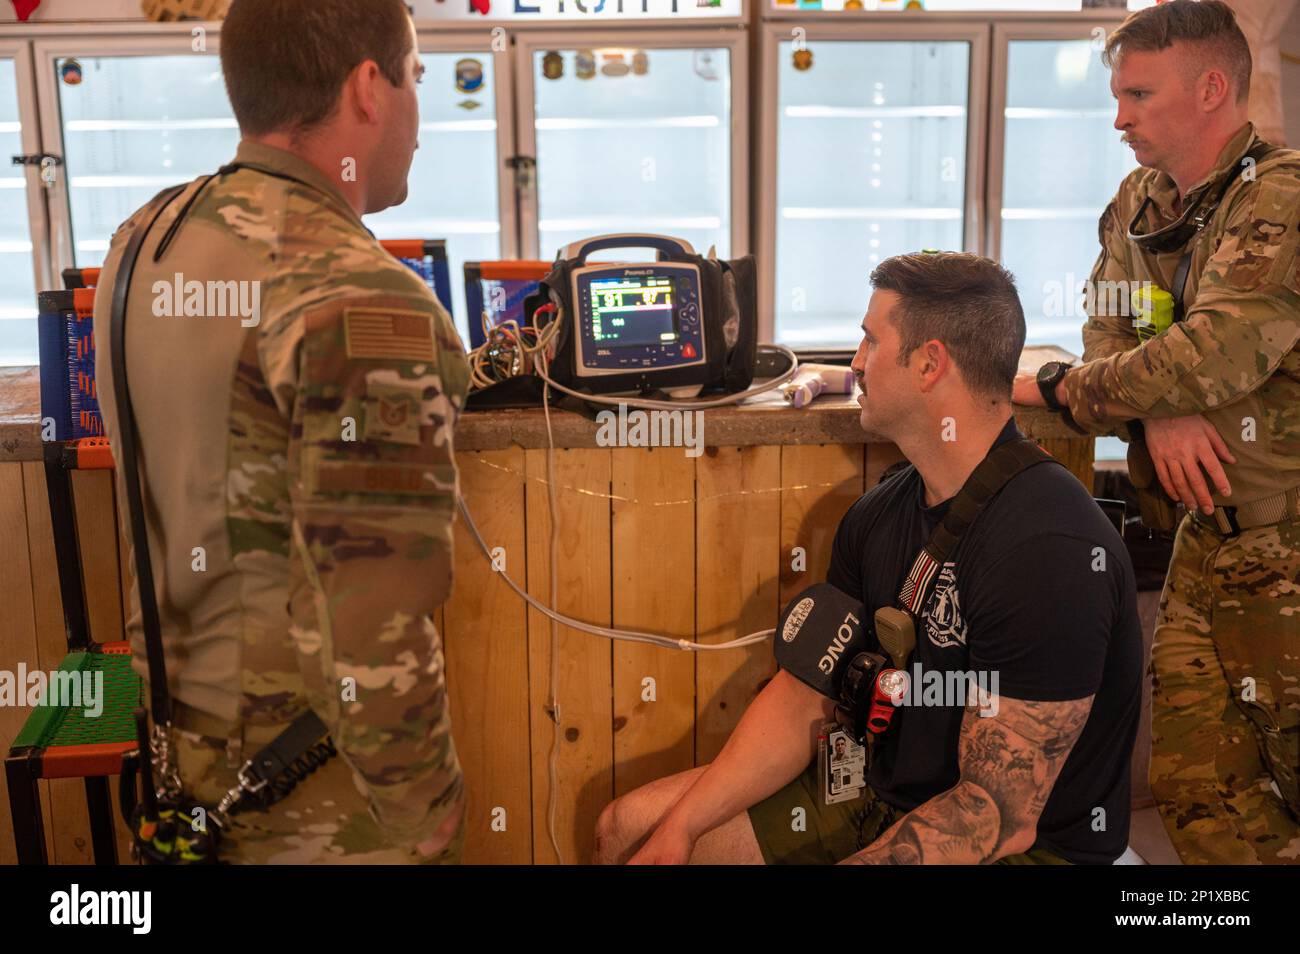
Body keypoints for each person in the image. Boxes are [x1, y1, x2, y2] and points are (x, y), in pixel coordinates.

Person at [594, 253, 1143, 865]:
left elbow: (996, 815)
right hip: (881, 794)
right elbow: (806, 694)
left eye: (869, 340)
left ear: (930, 363)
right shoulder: (878, 513)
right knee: (629, 831)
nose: (855, 361)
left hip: (1023, 847)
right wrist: (684, 828)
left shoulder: (1049, 548)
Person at [92, 0, 469, 864]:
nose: (419, 112)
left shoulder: (145, 239)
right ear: (368, 88)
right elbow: (371, 618)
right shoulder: (364, 296)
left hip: (178, 761)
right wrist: (426, 816)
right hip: (317, 798)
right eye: (414, 76)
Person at [1014, 0, 1300, 864]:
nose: (1119, 118)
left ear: (1212, 88)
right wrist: (1160, 404)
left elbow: (1214, 352)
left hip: (1287, 544)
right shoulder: (1141, 200)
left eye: (1138, 94)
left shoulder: (1282, 198)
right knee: (1197, 785)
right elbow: (1110, 319)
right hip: (1202, 543)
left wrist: (1069, 387)